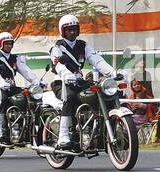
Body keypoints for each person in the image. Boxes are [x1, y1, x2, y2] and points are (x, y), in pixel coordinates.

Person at [48, 14, 121, 152]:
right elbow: (58, 65)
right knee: (69, 98)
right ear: (63, 31)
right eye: (69, 29)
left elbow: (96, 60)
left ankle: (107, 131)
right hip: (62, 82)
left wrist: (113, 73)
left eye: (75, 29)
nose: (72, 32)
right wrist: (67, 75)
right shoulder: (57, 48)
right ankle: (63, 136)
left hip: (79, 81)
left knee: (102, 91)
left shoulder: (83, 46)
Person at [0, 31, 41, 142]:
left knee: (28, 97)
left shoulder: (15, 58)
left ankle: (24, 126)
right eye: (6, 43)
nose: (9, 46)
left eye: (11, 43)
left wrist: (37, 81)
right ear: (1, 44)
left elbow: (26, 71)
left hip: (12, 87)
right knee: (2, 99)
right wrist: (1, 82)